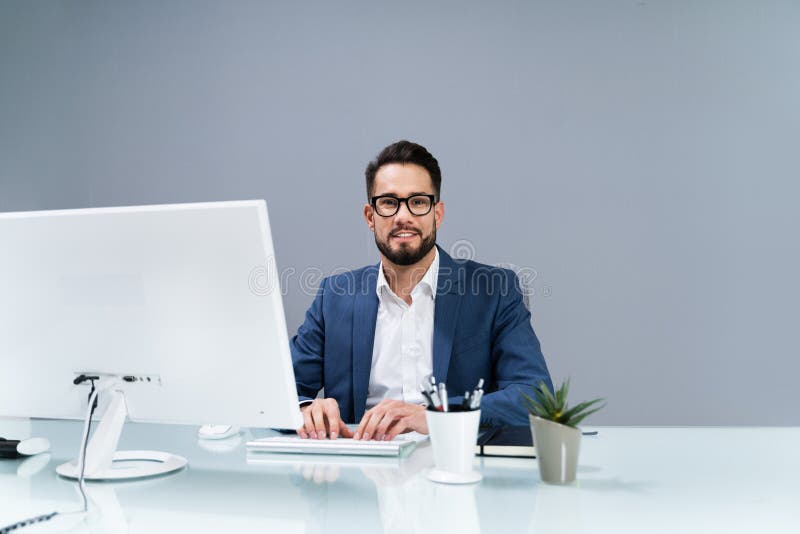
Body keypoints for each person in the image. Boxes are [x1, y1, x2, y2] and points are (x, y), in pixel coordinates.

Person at [291, 140, 552, 441]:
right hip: (362, 462)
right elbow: (281, 389)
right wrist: (306, 407)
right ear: (370, 216)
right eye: (388, 202)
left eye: (417, 202)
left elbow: (534, 396)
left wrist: (435, 416)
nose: (403, 216)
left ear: (437, 213)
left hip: (454, 460)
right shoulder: (334, 297)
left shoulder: (494, 291)